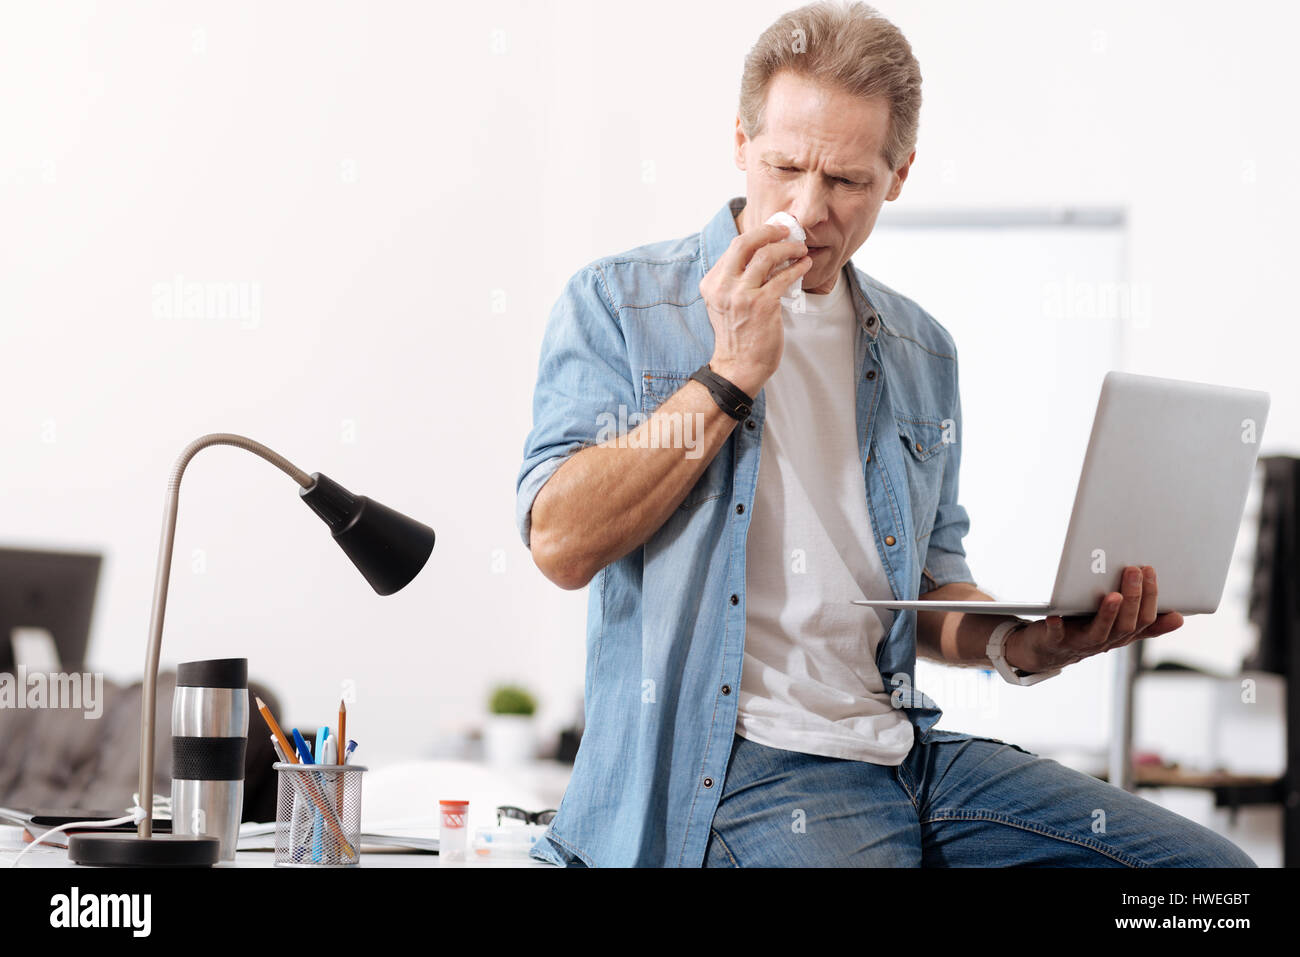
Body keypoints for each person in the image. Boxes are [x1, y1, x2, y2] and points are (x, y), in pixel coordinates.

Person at [514, 0, 1255, 867]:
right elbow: (559, 542)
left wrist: (1029, 644)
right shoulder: (621, 304)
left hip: (910, 755)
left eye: (848, 182)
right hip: (751, 767)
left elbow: (933, 593)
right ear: (741, 143)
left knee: (1210, 884)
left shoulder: (917, 347)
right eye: (786, 166)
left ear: (899, 175)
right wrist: (728, 377)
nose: (807, 208)